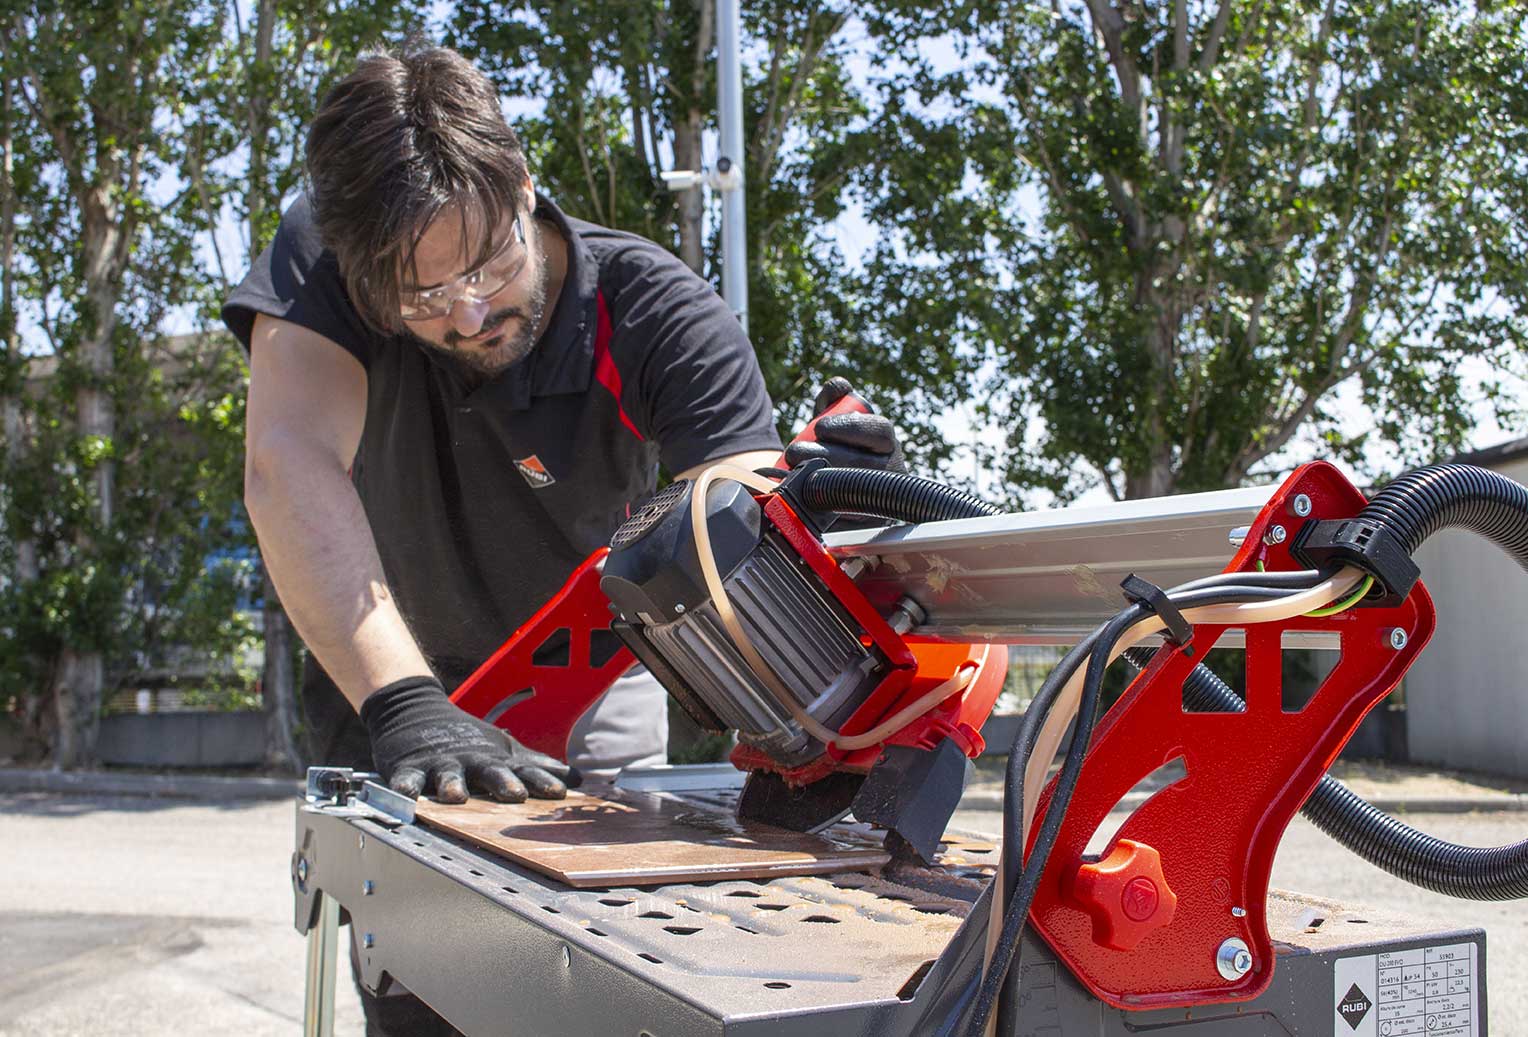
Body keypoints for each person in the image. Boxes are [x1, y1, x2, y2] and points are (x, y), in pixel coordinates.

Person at [225, 43, 901, 1037]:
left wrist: (800, 721)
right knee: (418, 976)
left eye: (488, 263)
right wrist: (406, 703)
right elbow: (288, 460)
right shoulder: (329, 248)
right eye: (420, 296)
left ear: (524, 187)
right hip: (387, 668)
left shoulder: (655, 308)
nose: (467, 311)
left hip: (588, 679)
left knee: (599, 972)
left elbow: (735, 533)